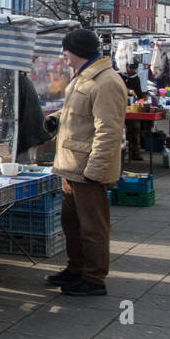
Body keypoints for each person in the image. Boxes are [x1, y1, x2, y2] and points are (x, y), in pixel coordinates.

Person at [44, 28, 127, 297]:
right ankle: (76, 268)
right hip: (72, 167)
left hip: (87, 170)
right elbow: (80, 114)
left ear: (75, 50)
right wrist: (57, 117)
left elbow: (109, 131)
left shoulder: (106, 82)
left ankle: (94, 279)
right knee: (72, 223)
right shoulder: (83, 78)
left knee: (92, 227)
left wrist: (95, 170)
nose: (64, 56)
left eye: (66, 50)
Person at [16, 69, 50, 163]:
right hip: (30, 133)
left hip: (29, 134)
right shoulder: (21, 80)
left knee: (24, 164)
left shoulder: (18, 82)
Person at [122, 62, 144, 160]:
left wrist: (142, 104)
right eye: (130, 68)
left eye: (133, 69)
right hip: (119, 107)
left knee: (135, 128)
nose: (131, 70)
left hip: (131, 109)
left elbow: (139, 94)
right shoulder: (119, 76)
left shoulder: (136, 78)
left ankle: (135, 153)